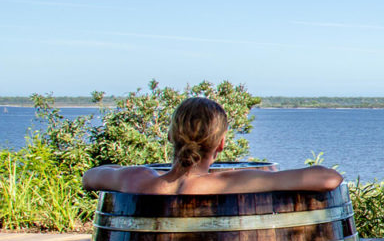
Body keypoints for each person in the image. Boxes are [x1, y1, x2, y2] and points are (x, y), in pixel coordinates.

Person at [82, 96, 342, 195]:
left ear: (171, 136)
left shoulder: (134, 179)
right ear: (221, 144)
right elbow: (329, 178)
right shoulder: (228, 183)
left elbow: (90, 177)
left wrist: (128, 171)